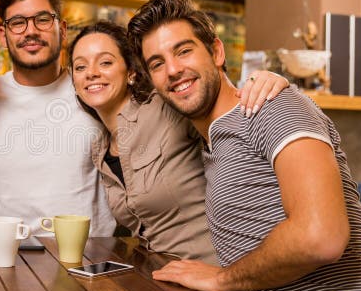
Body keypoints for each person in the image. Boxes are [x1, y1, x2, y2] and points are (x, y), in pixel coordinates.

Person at [129, 0, 361, 291]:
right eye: (157, 63)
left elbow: (322, 236)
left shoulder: (271, 105)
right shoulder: (213, 143)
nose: (173, 70)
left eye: (184, 51)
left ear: (217, 52)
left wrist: (223, 279)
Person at [68, 21, 288, 262]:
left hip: (224, 271)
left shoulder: (164, 107)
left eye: (106, 62)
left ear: (131, 71)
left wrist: (267, 80)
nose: (91, 73)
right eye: (80, 67)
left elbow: (217, 98)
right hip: (163, 277)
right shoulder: (100, 147)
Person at [0, 0, 115, 235]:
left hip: (89, 260)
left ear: (63, 30)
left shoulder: (94, 92)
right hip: (9, 260)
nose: (31, 31)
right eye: (18, 23)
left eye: (43, 20)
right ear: (3, 35)